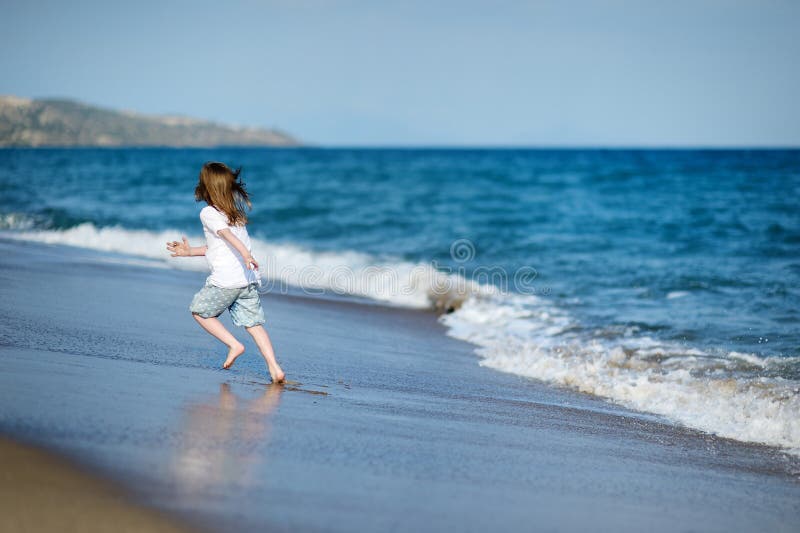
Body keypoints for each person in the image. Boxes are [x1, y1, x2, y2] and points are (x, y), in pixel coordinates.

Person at [167, 162, 285, 383]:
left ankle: (234, 344)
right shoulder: (235, 215)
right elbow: (219, 247)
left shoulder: (208, 213)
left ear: (206, 187)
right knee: (254, 325)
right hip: (247, 280)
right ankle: (275, 367)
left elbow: (226, 237)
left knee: (199, 311)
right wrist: (190, 251)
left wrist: (246, 254)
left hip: (225, 281)